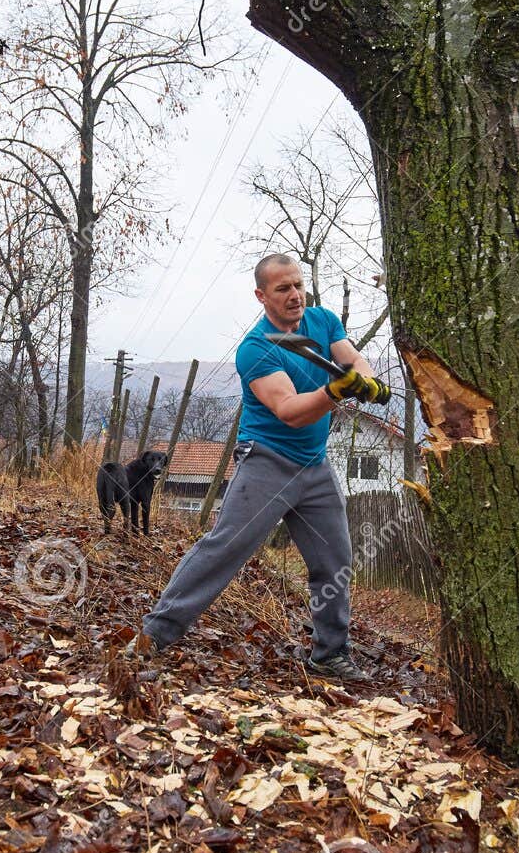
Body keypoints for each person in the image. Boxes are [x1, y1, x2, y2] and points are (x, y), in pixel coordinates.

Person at [128, 253, 391, 681]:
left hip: (315, 465)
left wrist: (365, 379)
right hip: (267, 460)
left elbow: (352, 357)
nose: (295, 295)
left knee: (335, 559)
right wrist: (336, 392)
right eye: (282, 289)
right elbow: (290, 410)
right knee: (224, 547)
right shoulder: (256, 348)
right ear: (261, 295)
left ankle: (329, 655)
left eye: (298, 285)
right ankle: (153, 636)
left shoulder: (322, 320)